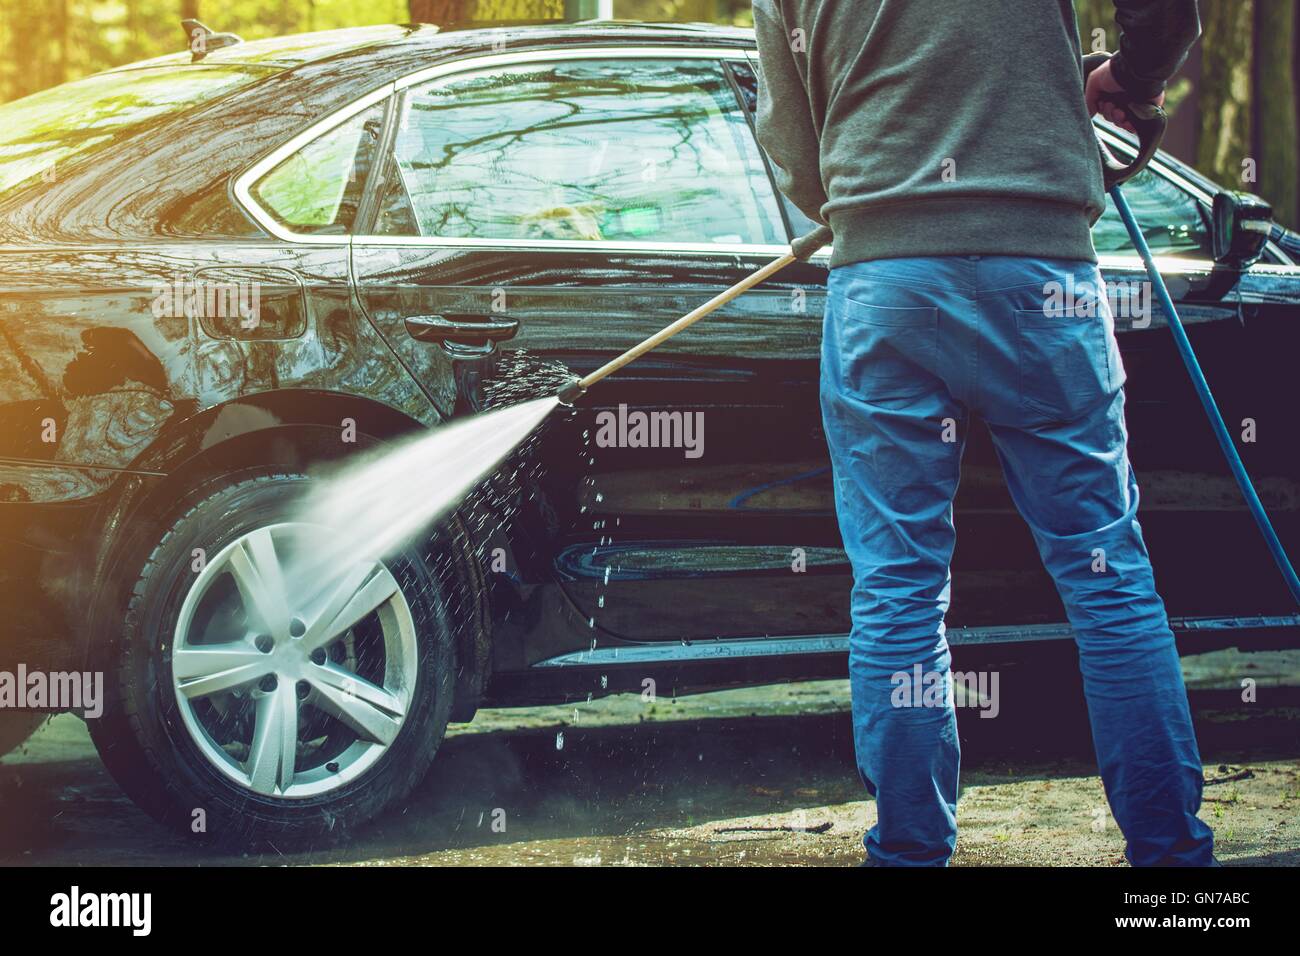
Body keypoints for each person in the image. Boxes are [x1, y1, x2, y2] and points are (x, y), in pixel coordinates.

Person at [754, 0, 1213, 866]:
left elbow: (791, 141)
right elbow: (1168, 12)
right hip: (1042, 271)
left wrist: (871, 204)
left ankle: (912, 852)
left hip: (885, 283)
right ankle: (1174, 869)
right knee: (1106, 572)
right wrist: (1131, 79)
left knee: (898, 588)